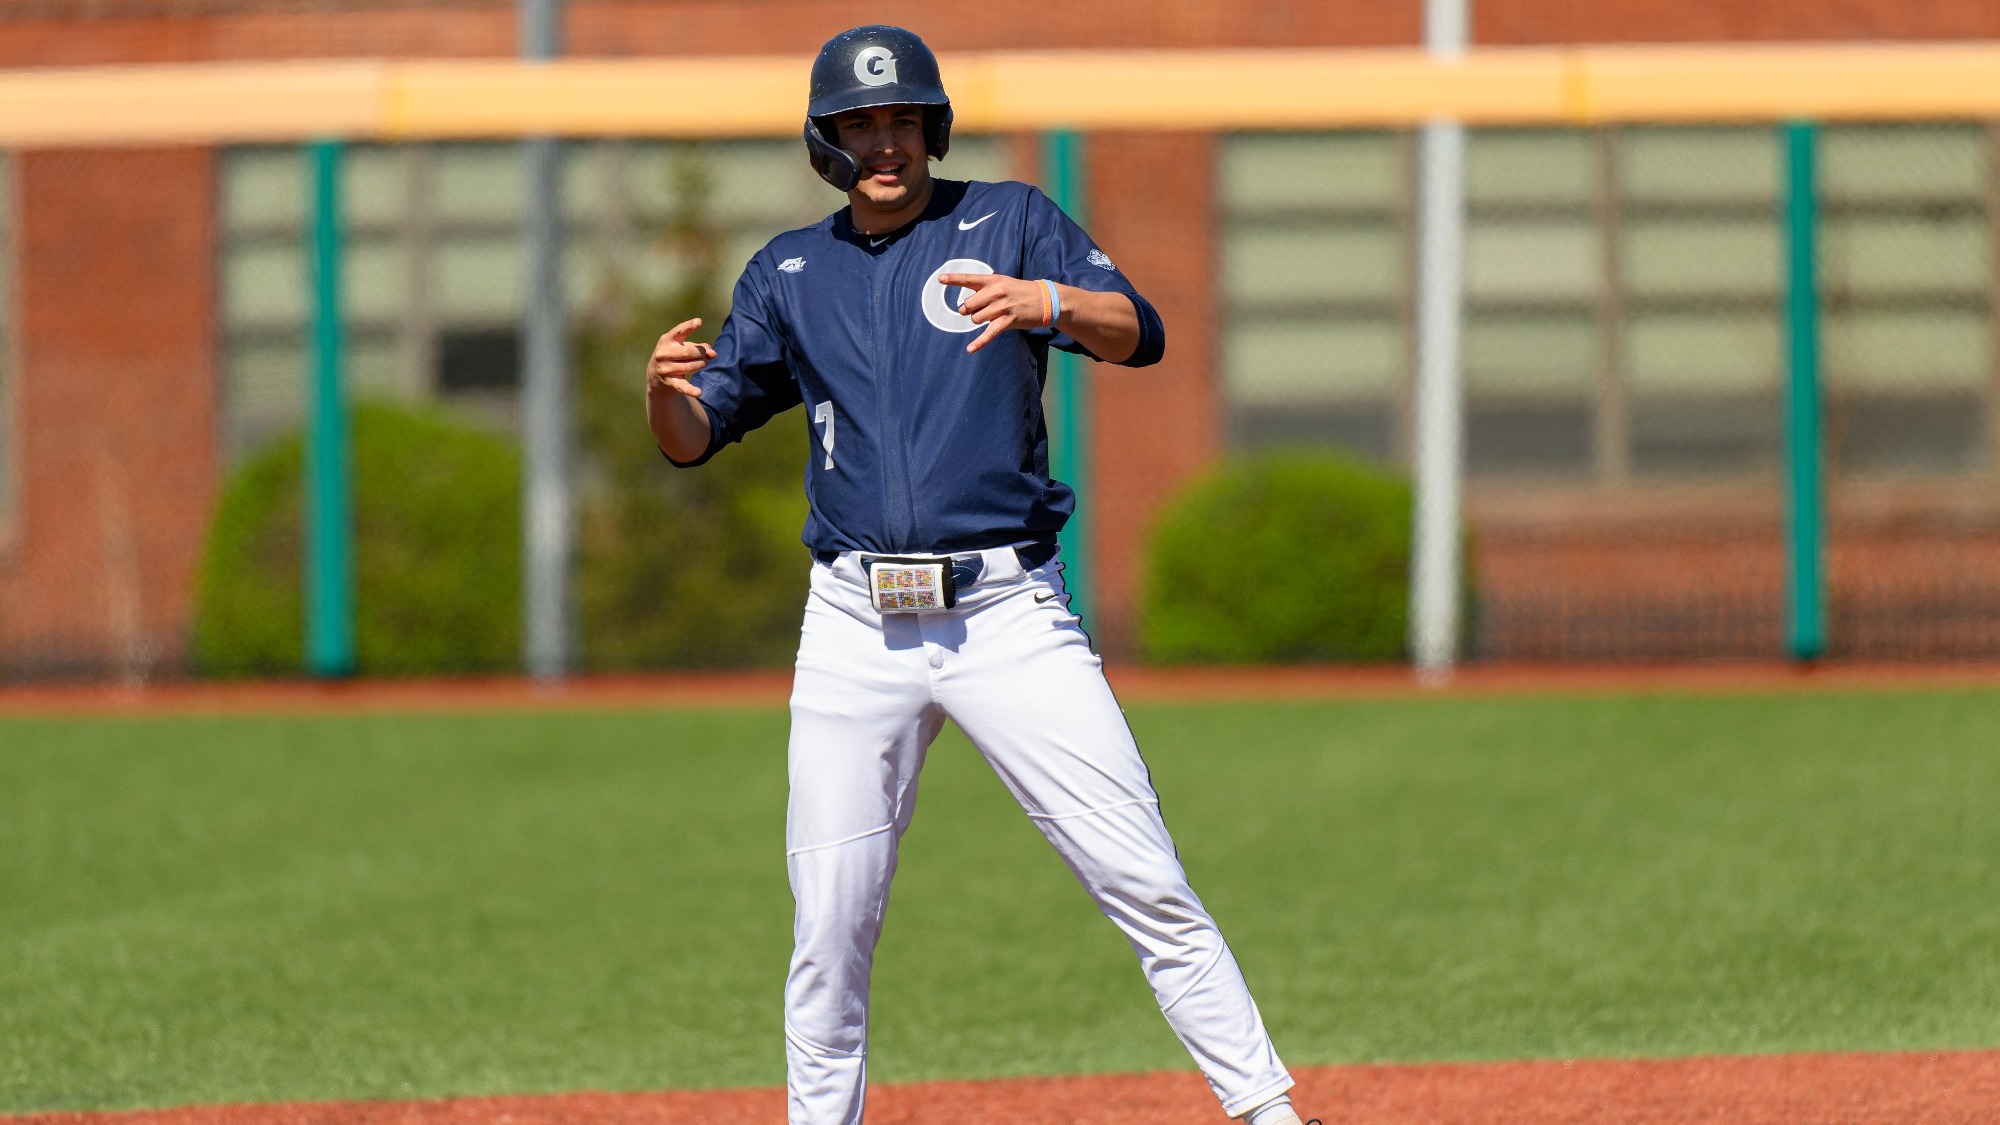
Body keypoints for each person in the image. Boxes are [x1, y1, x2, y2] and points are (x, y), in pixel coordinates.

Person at [645, 25, 1313, 1125]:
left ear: (930, 125)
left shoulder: (1004, 221)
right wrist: (665, 394)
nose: (886, 141)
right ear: (829, 142)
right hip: (854, 629)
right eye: (861, 123)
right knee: (827, 927)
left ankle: (1269, 1112)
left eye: (902, 117)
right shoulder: (788, 272)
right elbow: (694, 433)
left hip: (1006, 614)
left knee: (1142, 878)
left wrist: (1042, 302)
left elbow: (1135, 330)